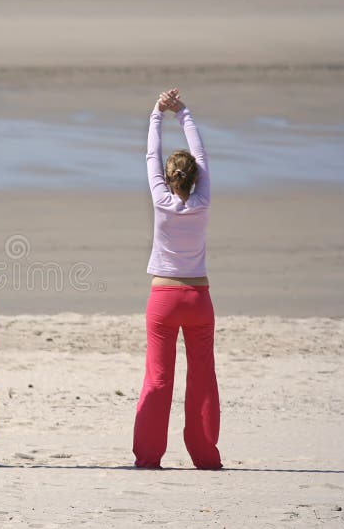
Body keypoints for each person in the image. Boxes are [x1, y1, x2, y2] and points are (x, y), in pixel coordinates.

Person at [133, 89, 222, 470]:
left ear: (168, 179)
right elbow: (200, 154)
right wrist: (182, 112)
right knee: (202, 377)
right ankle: (205, 456)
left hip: (164, 299)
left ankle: (149, 456)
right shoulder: (202, 201)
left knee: (157, 379)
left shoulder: (160, 199)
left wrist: (157, 112)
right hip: (199, 298)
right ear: (196, 179)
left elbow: (151, 154)